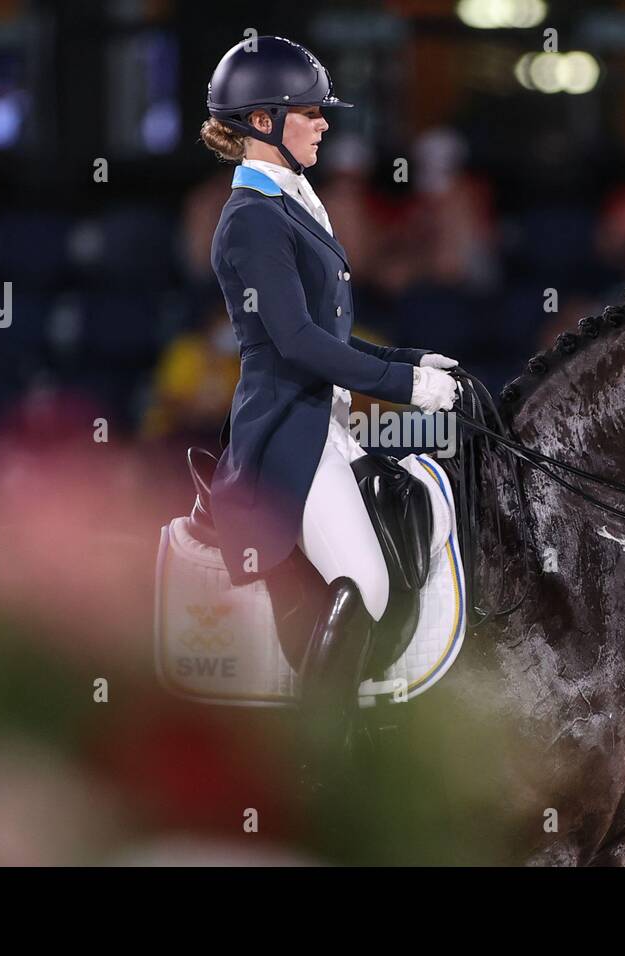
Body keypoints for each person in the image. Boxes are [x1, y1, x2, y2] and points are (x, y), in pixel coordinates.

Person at [199, 35, 460, 742]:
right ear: (262, 122)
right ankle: (318, 755)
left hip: (325, 421)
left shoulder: (291, 202)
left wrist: (413, 356)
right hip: (289, 431)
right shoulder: (253, 218)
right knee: (365, 583)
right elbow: (299, 344)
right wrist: (405, 383)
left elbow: (329, 336)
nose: (322, 123)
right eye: (308, 113)